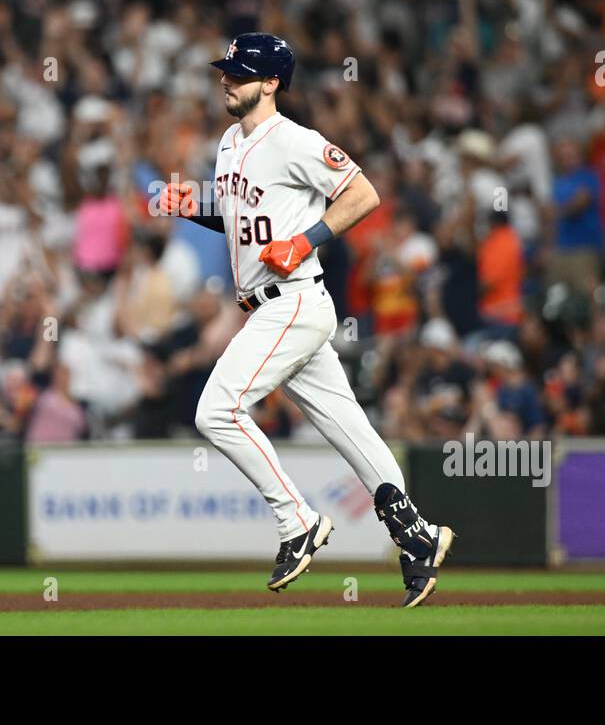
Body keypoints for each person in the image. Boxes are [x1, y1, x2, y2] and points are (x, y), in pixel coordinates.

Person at [158, 33, 454, 608]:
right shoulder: (227, 142)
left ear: (271, 84)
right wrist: (194, 208)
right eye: (226, 71)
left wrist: (307, 239)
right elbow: (243, 218)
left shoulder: (294, 140)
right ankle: (417, 535)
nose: (227, 80)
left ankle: (298, 521)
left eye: (240, 74)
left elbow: (363, 192)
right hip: (274, 305)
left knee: (216, 410)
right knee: (350, 427)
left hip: (293, 299)